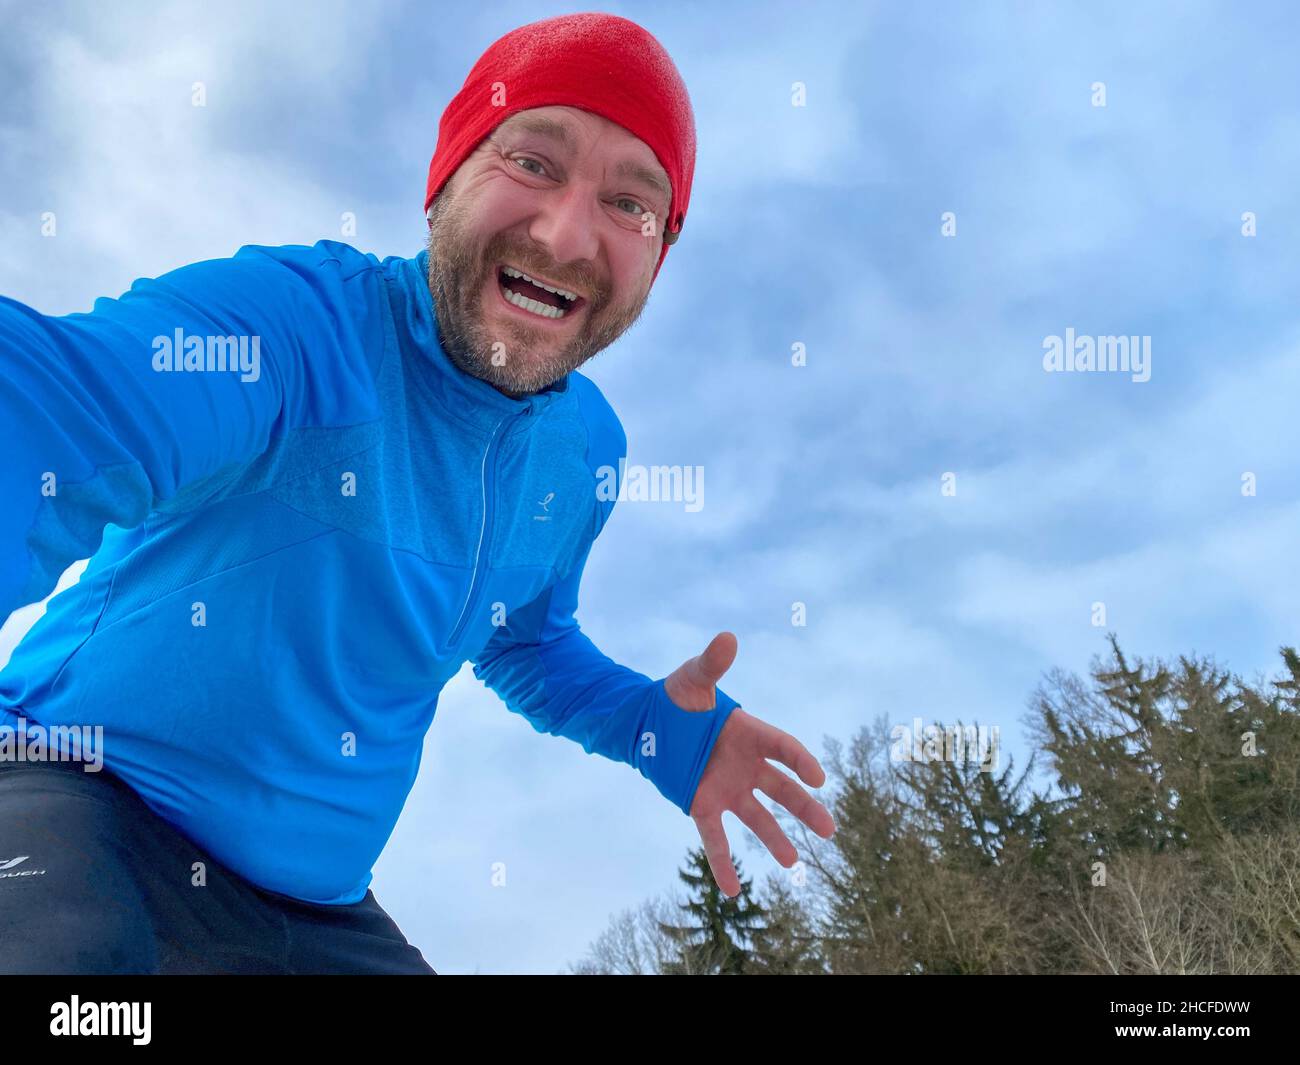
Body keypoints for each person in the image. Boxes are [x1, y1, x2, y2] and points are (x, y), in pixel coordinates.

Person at [0, 12, 835, 975]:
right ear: (443, 182)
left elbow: (524, 640)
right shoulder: (298, 329)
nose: (567, 234)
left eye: (631, 205)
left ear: (658, 255)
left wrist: (656, 732)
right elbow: (65, 410)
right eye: (532, 162)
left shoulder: (585, 453)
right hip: (83, 795)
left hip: (315, 908)